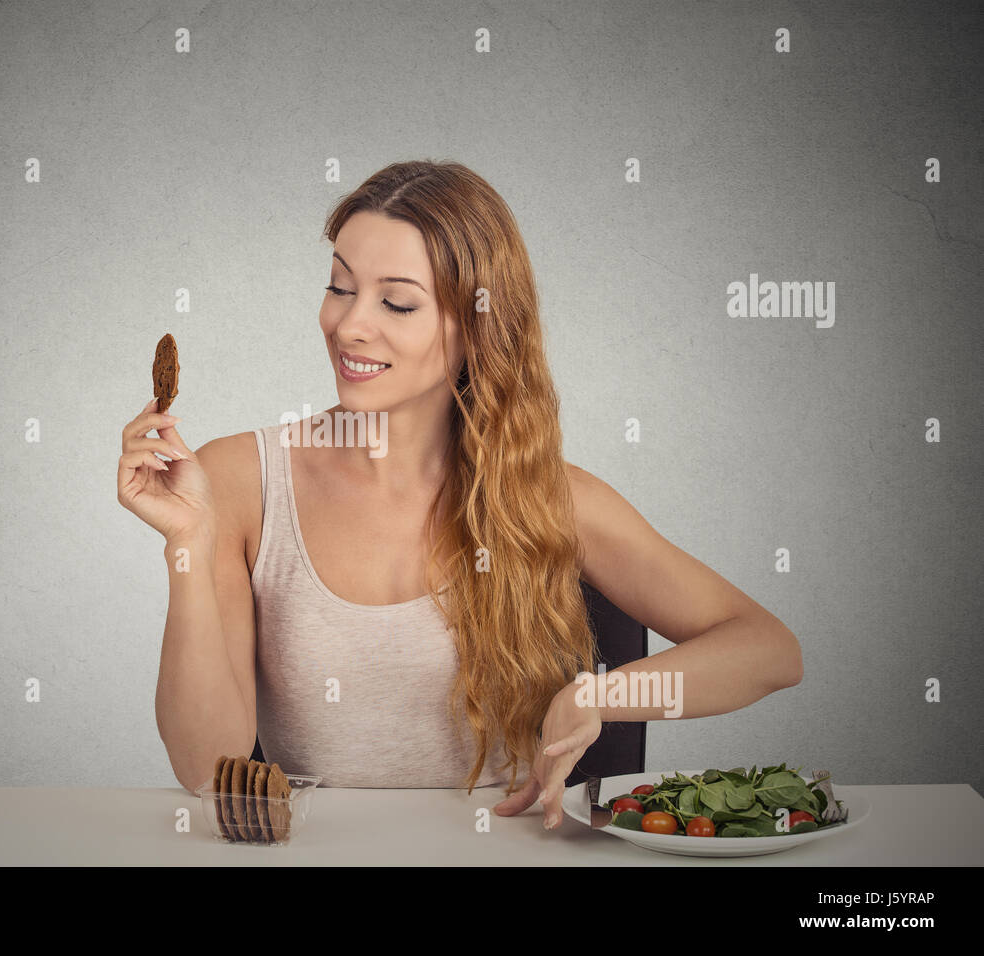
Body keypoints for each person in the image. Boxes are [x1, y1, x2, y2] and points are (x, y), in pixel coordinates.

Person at [117, 159, 803, 830]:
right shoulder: (236, 482)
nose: (350, 326)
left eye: (398, 302)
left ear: (477, 325)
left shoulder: (550, 497)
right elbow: (208, 765)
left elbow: (769, 649)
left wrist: (602, 692)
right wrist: (188, 544)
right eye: (339, 287)